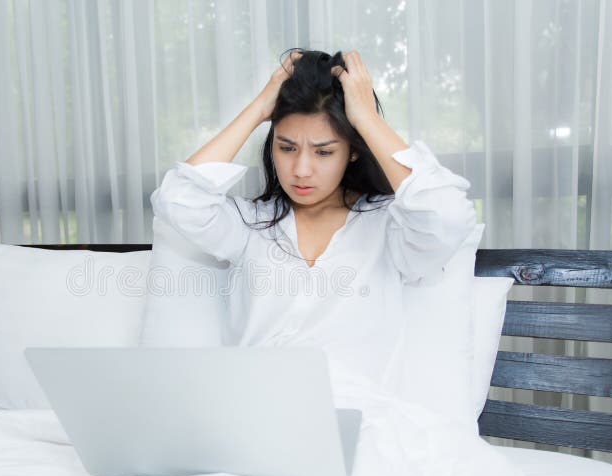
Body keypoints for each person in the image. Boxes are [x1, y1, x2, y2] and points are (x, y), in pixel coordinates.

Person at [150, 49, 477, 391]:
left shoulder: (390, 227)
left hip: (355, 425)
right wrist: (260, 108)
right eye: (287, 148)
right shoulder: (250, 225)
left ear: (353, 149)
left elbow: (447, 216)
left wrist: (366, 120)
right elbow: (178, 200)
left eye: (323, 151)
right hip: (252, 416)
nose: (301, 170)